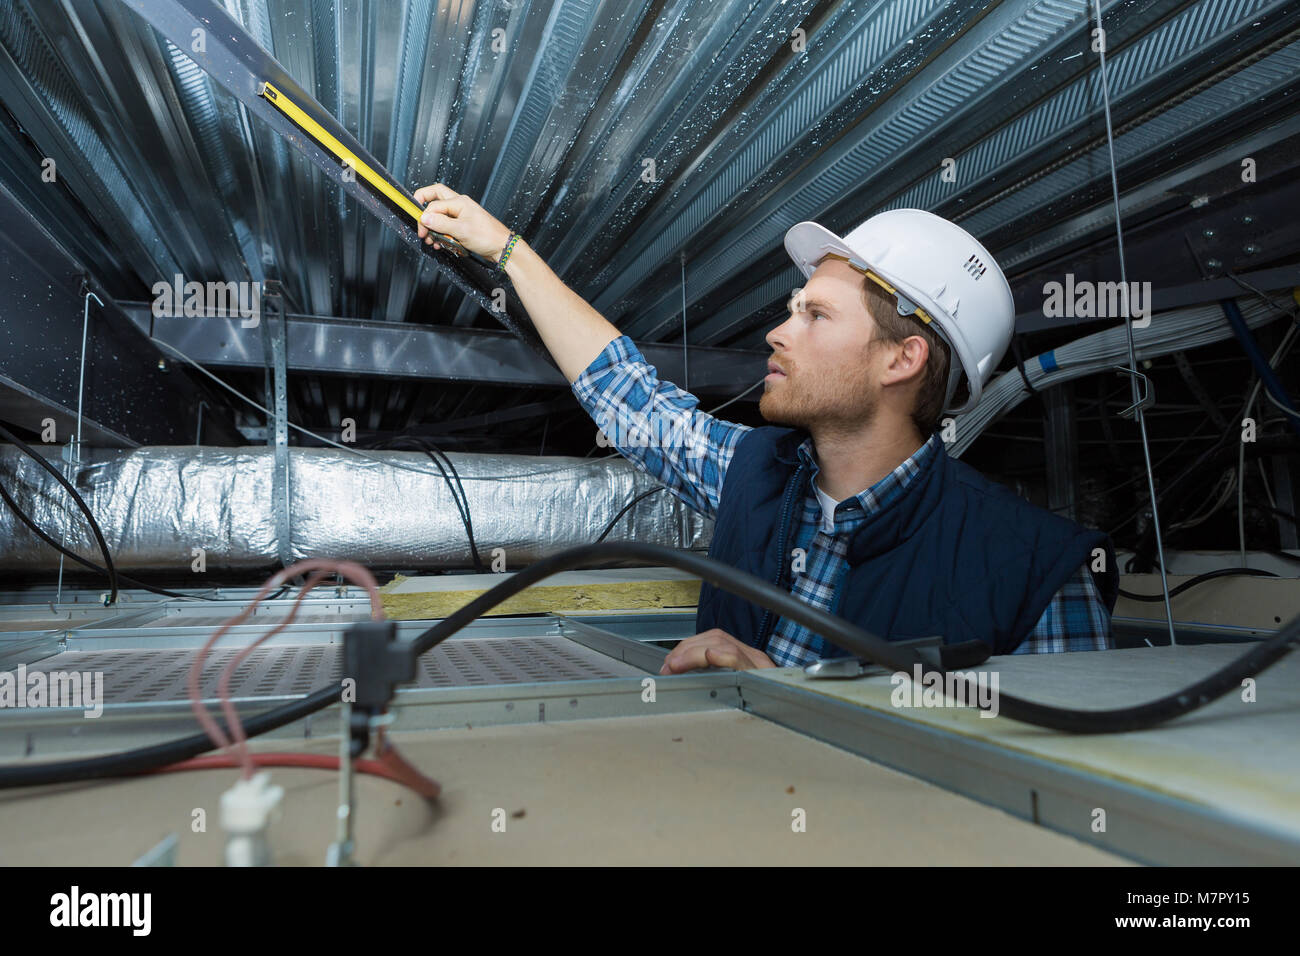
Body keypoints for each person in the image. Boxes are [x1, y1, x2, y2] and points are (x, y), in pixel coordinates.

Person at [414, 183, 1118, 675]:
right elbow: (633, 403)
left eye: (816, 315)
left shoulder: (1041, 573)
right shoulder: (757, 473)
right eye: (792, 308)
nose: (779, 332)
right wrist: (506, 250)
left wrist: (789, 688)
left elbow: (1065, 794)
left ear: (902, 359)